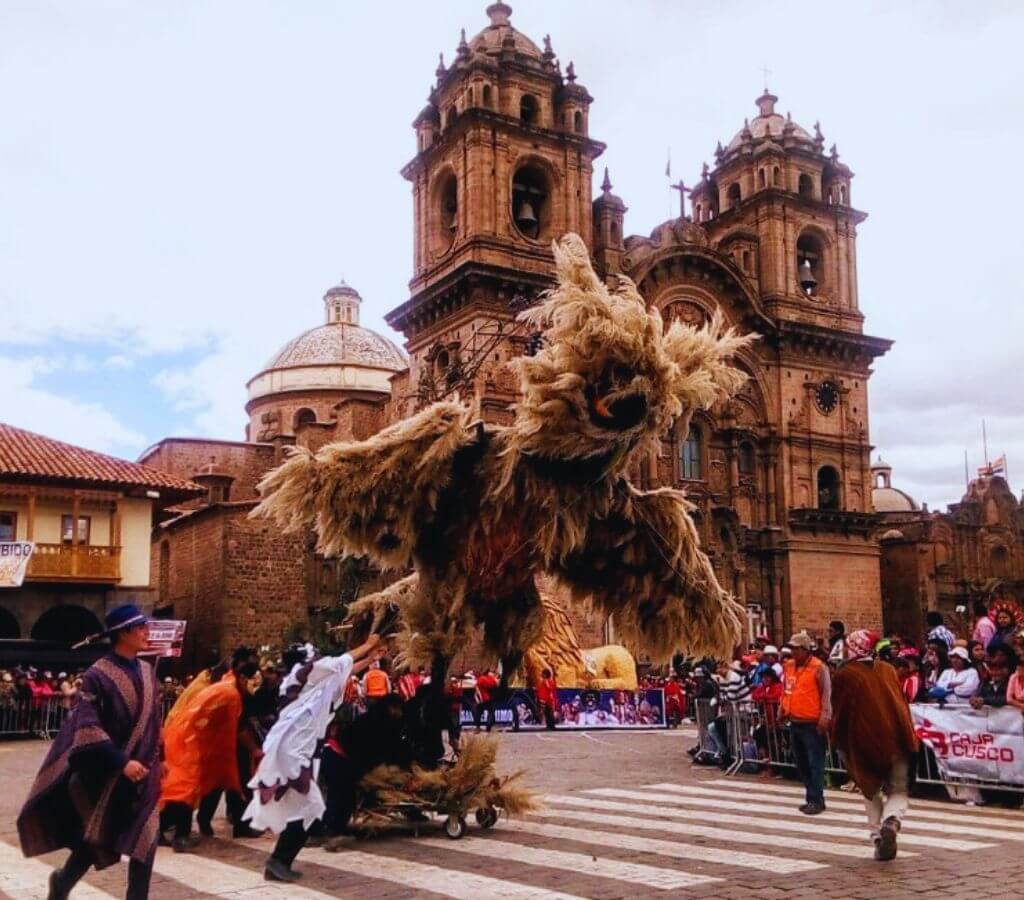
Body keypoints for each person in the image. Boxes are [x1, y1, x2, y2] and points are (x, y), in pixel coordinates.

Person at [18, 604, 162, 900]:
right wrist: (121, 762)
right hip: (108, 773)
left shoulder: (148, 671)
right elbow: (86, 726)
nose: (146, 632)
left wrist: (163, 758)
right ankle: (62, 881)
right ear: (123, 633)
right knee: (98, 836)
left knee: (146, 840)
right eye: (140, 627)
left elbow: (154, 722)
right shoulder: (98, 674)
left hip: (146, 772)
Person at [244, 634, 380, 882]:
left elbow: (340, 672)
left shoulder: (310, 681)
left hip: (300, 751)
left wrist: (369, 658)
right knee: (309, 806)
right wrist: (368, 646)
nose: (318, 658)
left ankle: (279, 861)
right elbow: (338, 664)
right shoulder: (302, 673)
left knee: (304, 808)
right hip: (293, 751)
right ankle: (278, 861)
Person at [160, 646, 264, 849]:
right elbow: (232, 730)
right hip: (188, 741)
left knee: (187, 787)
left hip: (188, 738)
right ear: (242, 677)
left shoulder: (224, 685)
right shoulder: (230, 694)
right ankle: (180, 836)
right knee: (186, 788)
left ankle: (162, 830)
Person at [830, 629, 919, 861]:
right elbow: (900, 705)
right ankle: (892, 821)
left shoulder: (844, 675)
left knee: (870, 789)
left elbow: (840, 711)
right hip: (896, 739)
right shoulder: (888, 670)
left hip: (863, 740)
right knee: (898, 788)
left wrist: (836, 739)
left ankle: (877, 836)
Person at [781, 632, 831, 815]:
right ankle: (812, 796)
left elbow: (826, 695)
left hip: (812, 723)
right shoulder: (789, 666)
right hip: (795, 721)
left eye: (795, 649)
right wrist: (782, 709)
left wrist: (824, 718)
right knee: (801, 763)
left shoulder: (819, 668)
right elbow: (787, 690)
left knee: (815, 763)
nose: (792, 652)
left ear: (804, 649)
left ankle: (816, 799)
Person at [443, 674, 464, 751]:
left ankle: (456, 739)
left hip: (458, 709)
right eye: (453, 682)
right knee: (453, 725)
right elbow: (448, 696)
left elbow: (460, 697)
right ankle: (452, 739)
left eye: (456, 681)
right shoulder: (449, 689)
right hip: (451, 709)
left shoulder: (458, 688)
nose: (455, 683)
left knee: (458, 725)